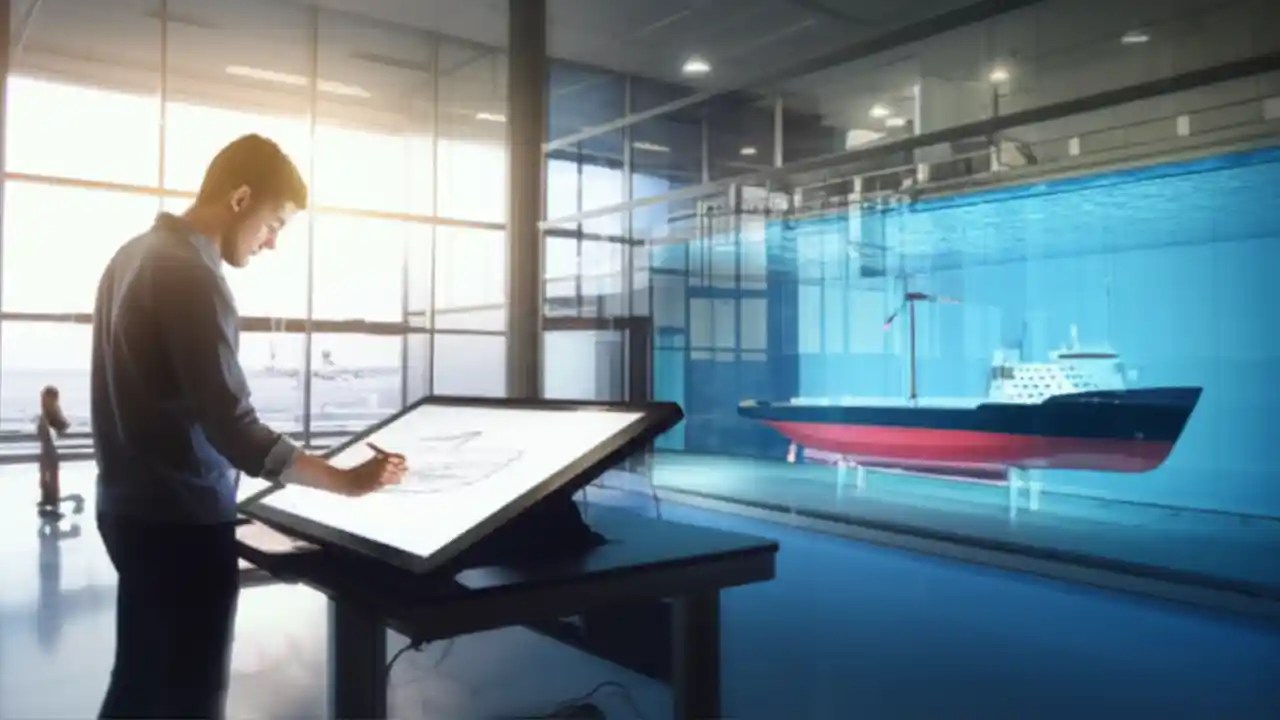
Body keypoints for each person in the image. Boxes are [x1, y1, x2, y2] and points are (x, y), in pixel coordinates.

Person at [91, 133, 407, 720]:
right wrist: (345, 480)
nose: (272, 243)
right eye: (275, 223)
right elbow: (232, 429)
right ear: (240, 199)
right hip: (180, 521)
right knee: (190, 696)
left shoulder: (131, 255)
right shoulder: (191, 274)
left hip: (127, 511)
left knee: (138, 682)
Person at [36, 385, 71, 517]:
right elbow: (63, 428)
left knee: (49, 475)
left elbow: (62, 428)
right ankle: (49, 500)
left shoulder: (49, 414)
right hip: (47, 449)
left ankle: (50, 501)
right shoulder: (48, 414)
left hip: (48, 449)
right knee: (48, 475)